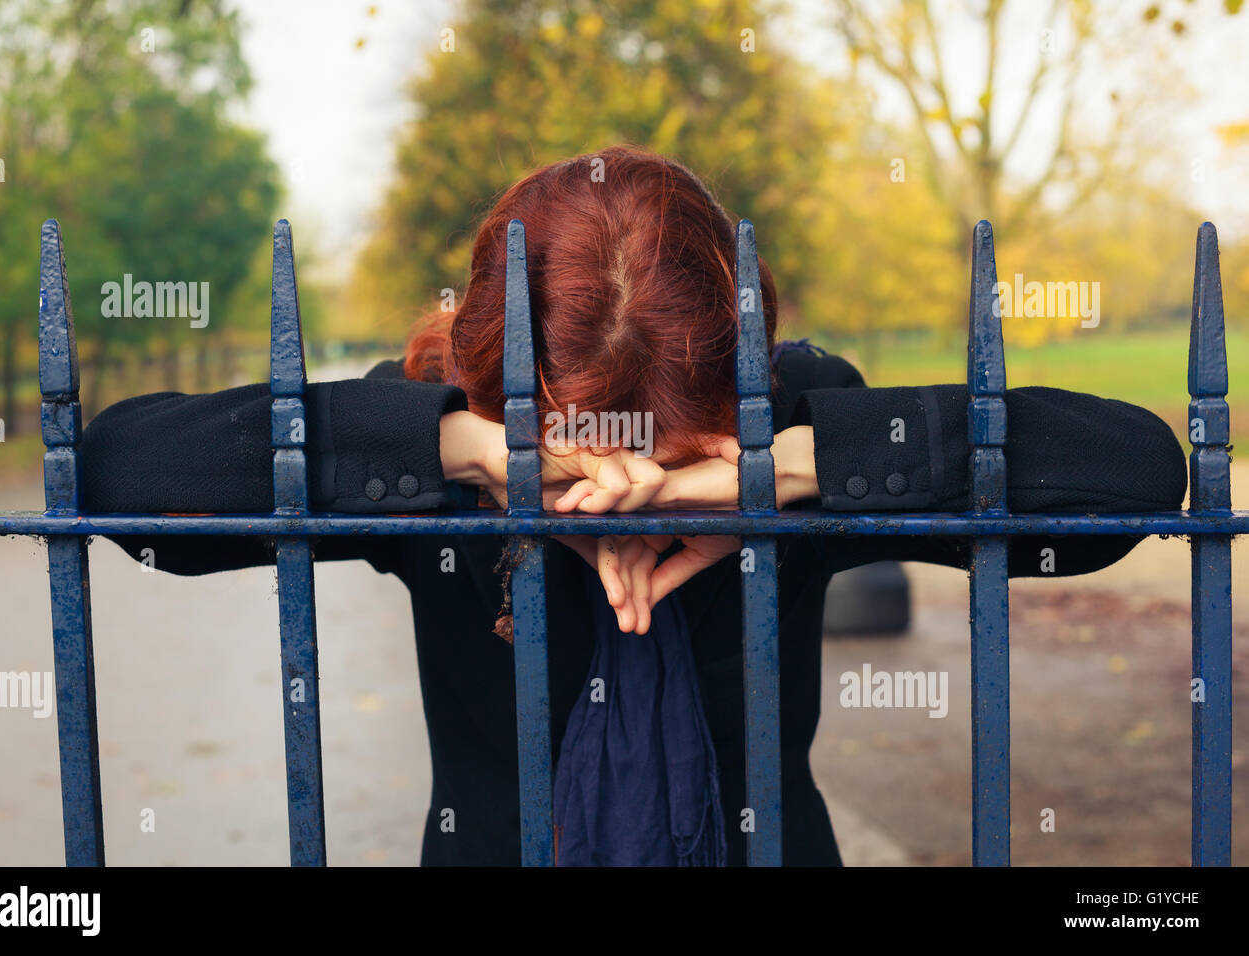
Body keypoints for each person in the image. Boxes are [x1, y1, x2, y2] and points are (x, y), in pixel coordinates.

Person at [81, 145, 1187, 866]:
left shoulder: (796, 418)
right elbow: (121, 482)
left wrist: (777, 478)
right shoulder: (434, 439)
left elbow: (1131, 473)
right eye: (582, 447)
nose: (620, 490)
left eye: (664, 452)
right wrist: (467, 452)